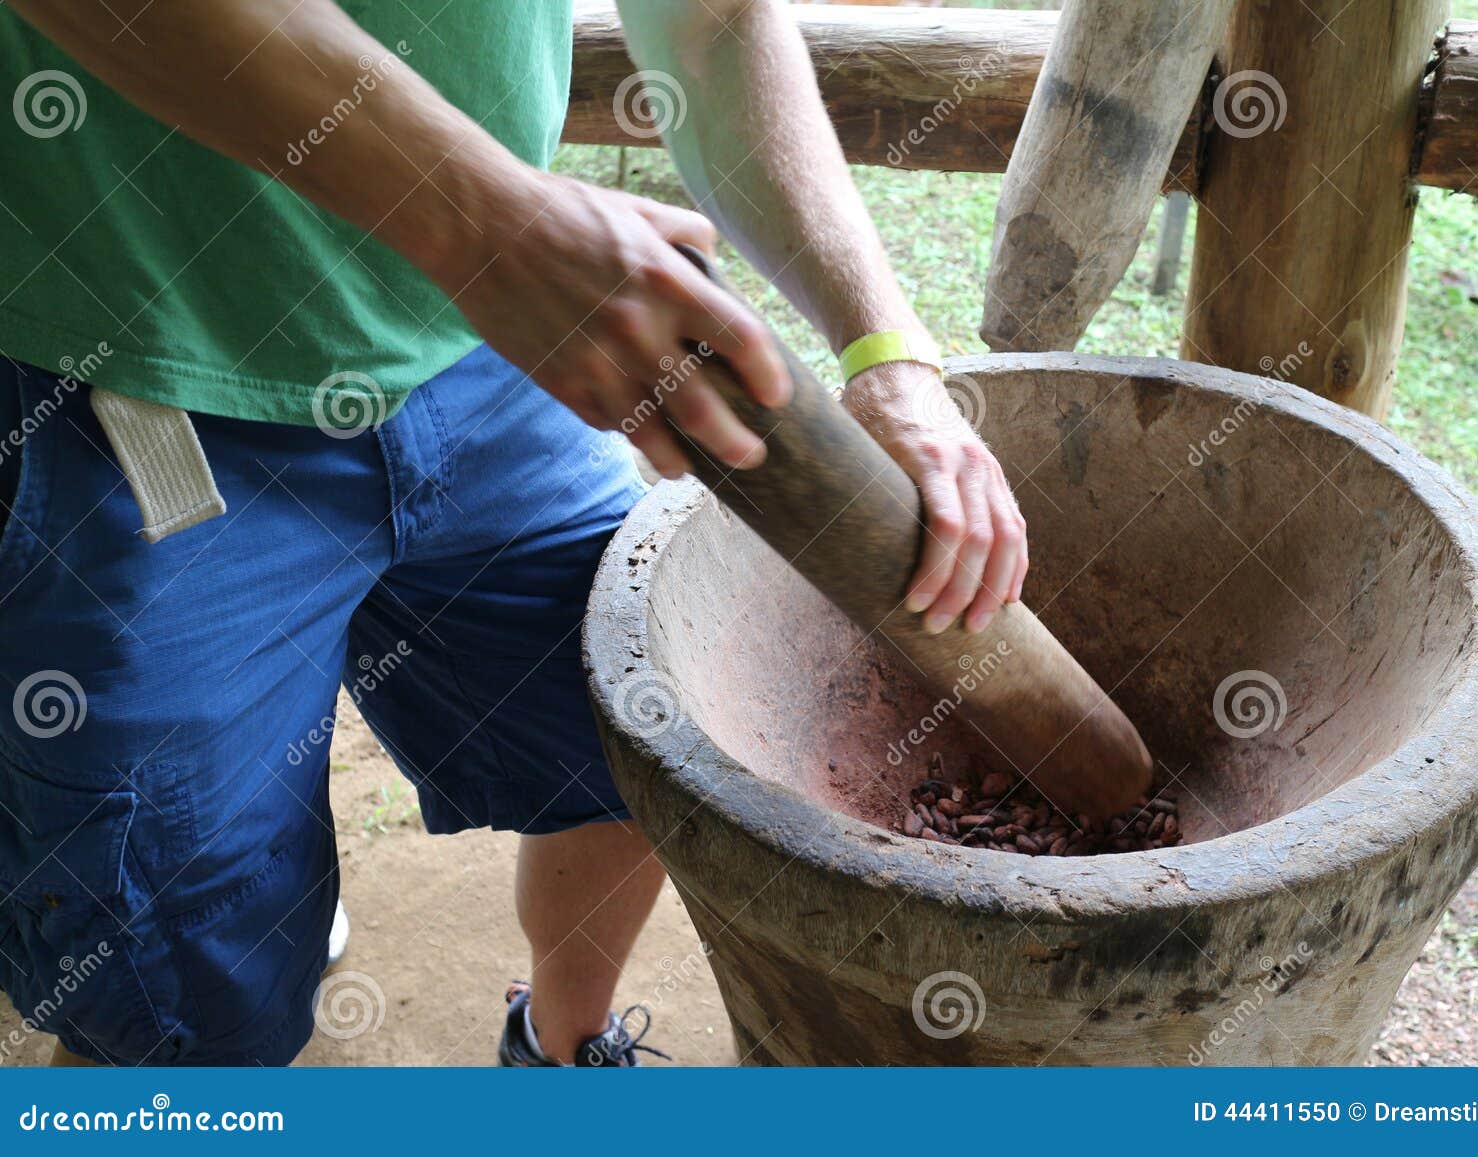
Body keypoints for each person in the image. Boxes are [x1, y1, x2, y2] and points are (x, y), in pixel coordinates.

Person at [0, 0, 1028, 1067]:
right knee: (174, 967)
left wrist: (886, 350)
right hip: (137, 371)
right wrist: (491, 225)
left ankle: (559, 1042)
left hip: (490, 336)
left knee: (641, 731)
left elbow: (715, 21)